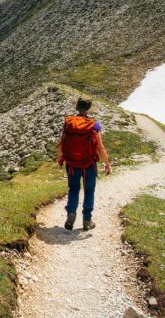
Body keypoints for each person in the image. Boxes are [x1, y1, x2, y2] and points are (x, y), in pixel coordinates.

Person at [56, 97, 112, 231]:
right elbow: (100, 147)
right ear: (89, 109)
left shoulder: (68, 123)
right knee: (89, 190)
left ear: (77, 107)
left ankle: (71, 214)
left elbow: (62, 141)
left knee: (73, 189)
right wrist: (107, 164)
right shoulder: (93, 125)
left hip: (72, 163)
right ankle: (87, 220)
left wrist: (60, 156)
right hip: (89, 164)